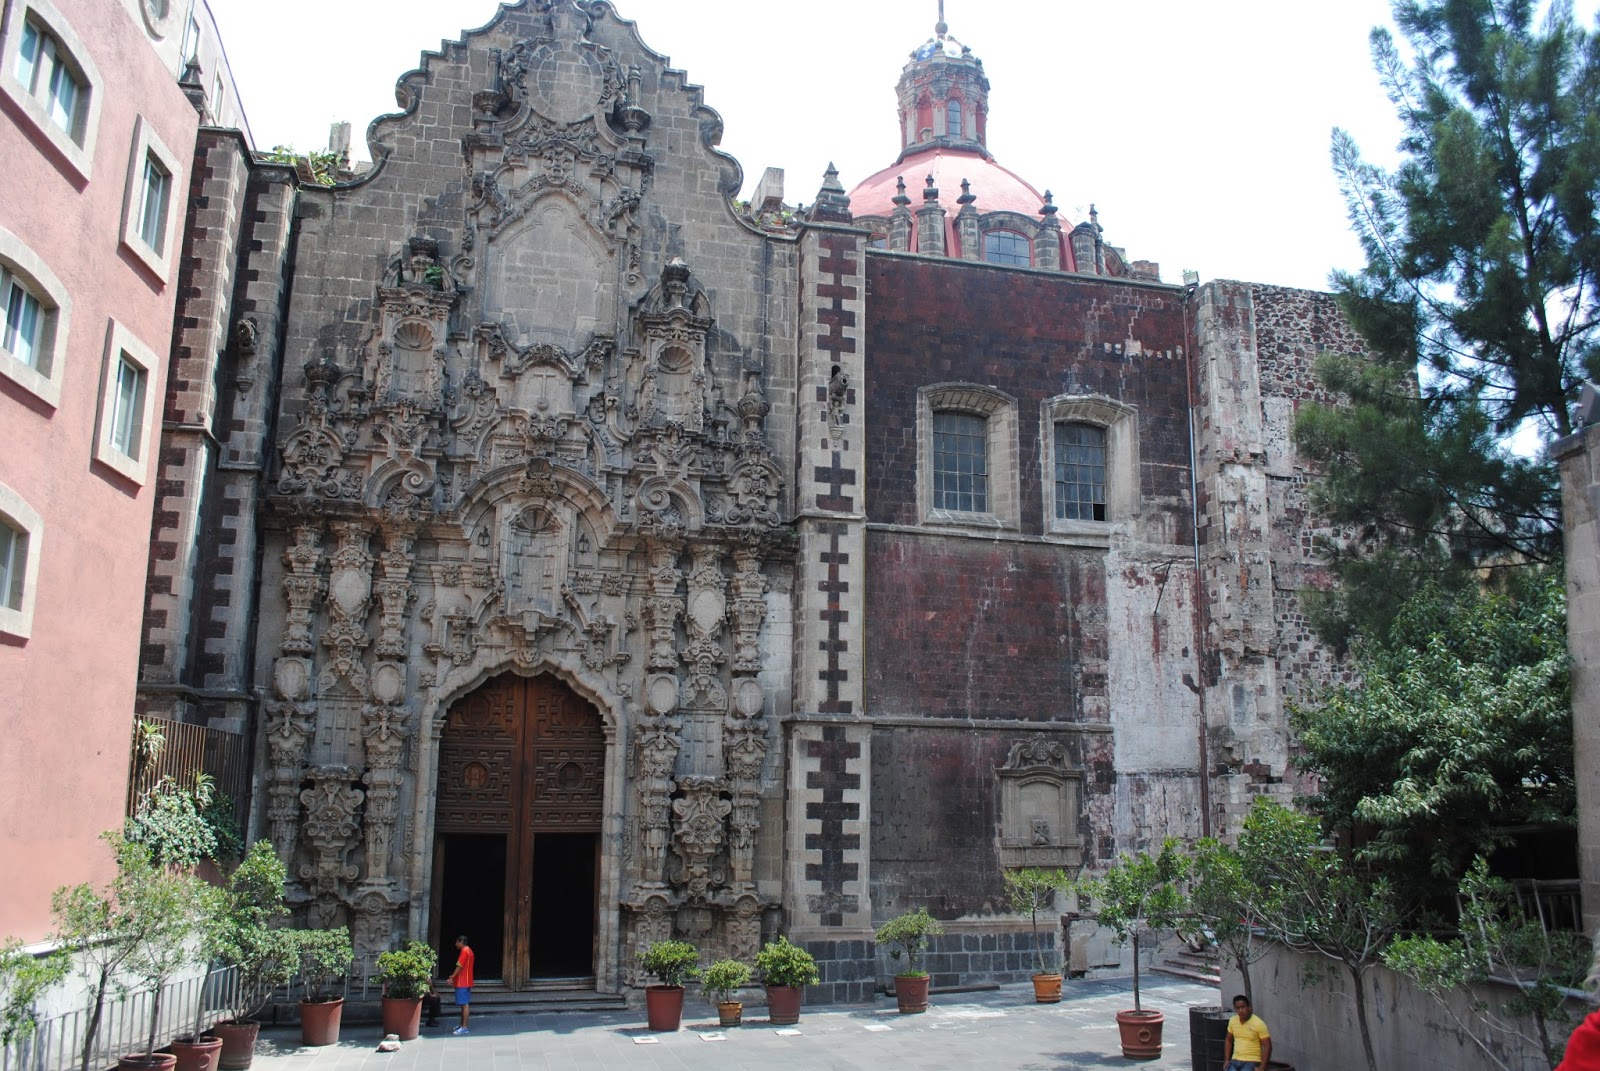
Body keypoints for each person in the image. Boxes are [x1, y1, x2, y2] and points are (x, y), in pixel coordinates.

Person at [1224, 994, 1272, 1071]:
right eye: (1238, 1008)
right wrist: (1227, 1059)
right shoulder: (1233, 1020)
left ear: (1249, 1007)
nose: (1241, 1010)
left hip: (1251, 1061)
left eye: (1243, 1007)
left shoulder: (1258, 1023)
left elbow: (1267, 1046)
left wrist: (1262, 1067)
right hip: (1235, 1060)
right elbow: (1228, 1039)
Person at [449, 935, 475, 1035]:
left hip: (462, 982)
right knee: (464, 1004)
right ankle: (461, 1025)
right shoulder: (469, 951)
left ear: (461, 942)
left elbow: (459, 966)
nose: (456, 944)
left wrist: (452, 977)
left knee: (464, 1004)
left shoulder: (465, 951)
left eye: (457, 942)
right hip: (467, 981)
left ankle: (464, 1027)